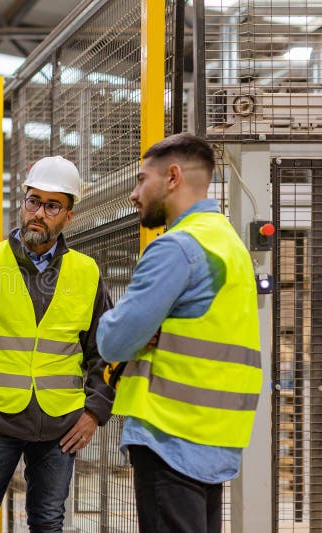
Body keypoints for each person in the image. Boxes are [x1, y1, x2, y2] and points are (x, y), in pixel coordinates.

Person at [0, 156, 115, 533]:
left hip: (60, 424)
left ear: (69, 217)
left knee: (48, 523)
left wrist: (94, 411)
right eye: (33, 201)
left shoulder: (86, 273)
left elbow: (107, 350)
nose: (39, 213)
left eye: (52, 206)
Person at [97, 133, 261, 533]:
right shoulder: (228, 244)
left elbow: (114, 340)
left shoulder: (178, 248)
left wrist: (120, 325)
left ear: (172, 177)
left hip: (168, 434)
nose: (135, 194)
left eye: (141, 180)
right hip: (213, 435)